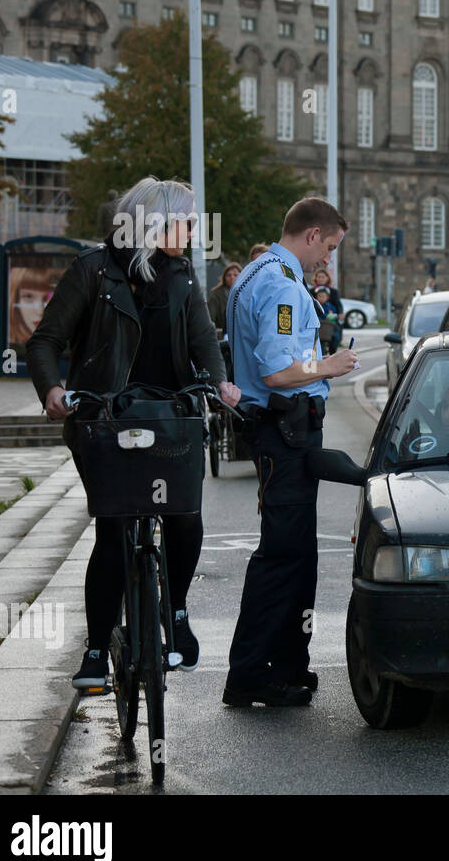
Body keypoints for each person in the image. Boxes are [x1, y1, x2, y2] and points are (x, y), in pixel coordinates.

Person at [26, 176, 241, 690]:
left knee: (185, 517)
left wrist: (219, 383)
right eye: (185, 219)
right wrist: (53, 391)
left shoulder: (183, 276)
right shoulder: (92, 271)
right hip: (106, 419)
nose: (192, 228)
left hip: (171, 418)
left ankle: (179, 609)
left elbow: (203, 341)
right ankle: (98, 648)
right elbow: (44, 342)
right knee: (114, 530)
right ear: (154, 223)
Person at [223, 198, 359, 707]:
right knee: (284, 557)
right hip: (285, 429)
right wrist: (330, 364)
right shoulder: (281, 284)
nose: (328, 260)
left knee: (293, 554)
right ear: (310, 235)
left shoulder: (257, 272)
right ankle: (254, 674)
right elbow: (278, 374)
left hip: (277, 431)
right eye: (328, 248)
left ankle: (284, 665)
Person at [207, 261, 241, 335]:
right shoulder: (215, 294)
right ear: (224, 277)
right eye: (229, 275)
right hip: (222, 333)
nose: (232, 277)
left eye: (235, 275)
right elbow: (210, 318)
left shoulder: (246, 293)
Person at [314, 286, 342, 355]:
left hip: (330, 326)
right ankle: (323, 353)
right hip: (320, 326)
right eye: (319, 296)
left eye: (323, 296)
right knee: (321, 341)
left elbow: (334, 315)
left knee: (336, 337)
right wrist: (326, 316)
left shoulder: (330, 306)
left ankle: (333, 350)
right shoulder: (315, 305)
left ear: (327, 297)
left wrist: (333, 315)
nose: (321, 298)